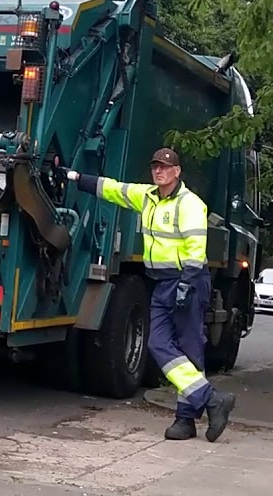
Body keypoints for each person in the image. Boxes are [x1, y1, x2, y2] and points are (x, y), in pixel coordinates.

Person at [57, 147, 236, 443]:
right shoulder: (147, 197)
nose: (159, 171)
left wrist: (186, 284)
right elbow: (112, 189)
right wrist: (75, 177)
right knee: (158, 343)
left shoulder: (189, 204)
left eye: (165, 167)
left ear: (177, 172)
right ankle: (213, 400)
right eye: (155, 167)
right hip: (163, 283)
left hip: (187, 281)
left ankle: (185, 419)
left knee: (190, 349)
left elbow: (196, 248)